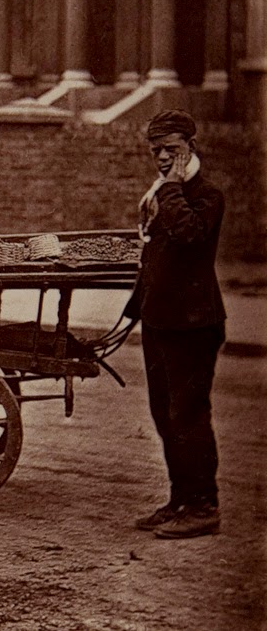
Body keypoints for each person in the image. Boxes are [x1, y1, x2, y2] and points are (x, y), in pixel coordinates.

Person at [124, 109, 226, 539]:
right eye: (156, 151)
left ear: (191, 148)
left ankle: (204, 506)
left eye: (171, 150)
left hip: (193, 324)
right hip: (161, 320)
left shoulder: (205, 194)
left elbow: (189, 236)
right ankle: (180, 498)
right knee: (165, 416)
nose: (163, 159)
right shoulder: (163, 192)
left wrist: (169, 189)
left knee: (187, 415)